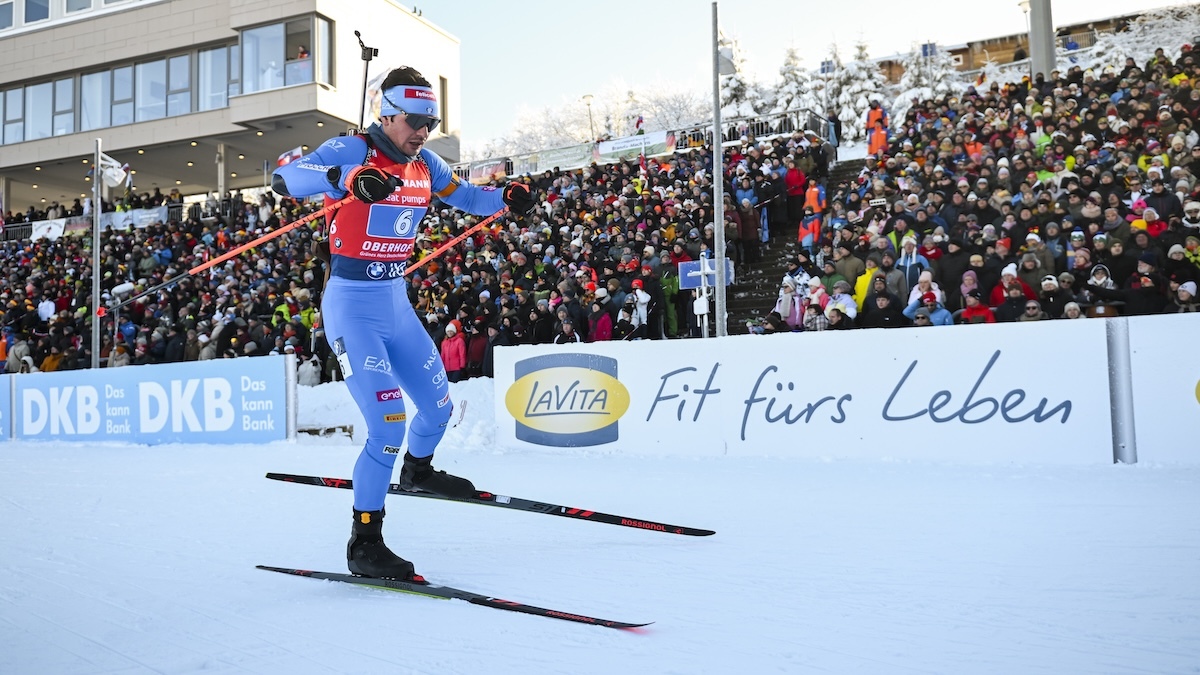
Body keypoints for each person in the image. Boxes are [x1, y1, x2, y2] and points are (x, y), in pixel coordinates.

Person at [271, 66, 536, 581]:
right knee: (388, 421)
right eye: (414, 119)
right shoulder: (351, 150)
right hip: (352, 306)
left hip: (394, 301)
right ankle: (364, 541)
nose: (421, 131)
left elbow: (471, 199)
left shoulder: (427, 164)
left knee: (439, 408)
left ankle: (418, 471)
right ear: (386, 114)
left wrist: (508, 196)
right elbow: (286, 178)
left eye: (430, 122)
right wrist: (344, 178)